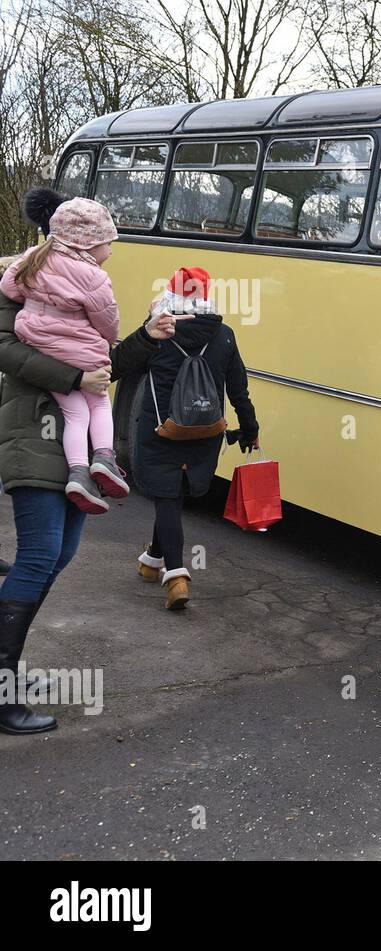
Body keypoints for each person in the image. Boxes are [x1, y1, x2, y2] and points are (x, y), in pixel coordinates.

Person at [0, 186, 179, 736]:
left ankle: (8, 670)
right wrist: (74, 378)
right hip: (34, 431)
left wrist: (146, 338)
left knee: (60, 554)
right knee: (39, 554)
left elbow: (102, 368)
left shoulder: (80, 286)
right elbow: (6, 349)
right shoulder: (18, 278)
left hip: (75, 443)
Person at [131, 266, 259, 611]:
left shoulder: (158, 330)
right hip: (206, 432)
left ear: (170, 295)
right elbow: (238, 389)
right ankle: (152, 559)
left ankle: (175, 574)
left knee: (166, 495)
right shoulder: (225, 335)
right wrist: (250, 429)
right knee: (172, 495)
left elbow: (127, 366)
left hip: (161, 429)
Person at [0, 197, 129, 514]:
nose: (110, 251)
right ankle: (103, 457)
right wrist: (107, 340)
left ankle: (78, 473)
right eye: (107, 243)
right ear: (88, 245)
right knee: (97, 402)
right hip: (81, 353)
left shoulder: (33, 258)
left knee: (75, 414)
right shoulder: (94, 276)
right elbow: (107, 321)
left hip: (41, 347)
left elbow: (9, 286)